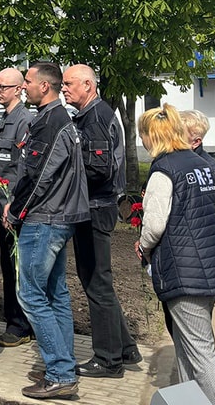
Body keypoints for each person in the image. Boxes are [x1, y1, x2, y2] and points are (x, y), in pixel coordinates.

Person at [136, 105, 215, 405]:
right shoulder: (201, 164)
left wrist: (143, 245)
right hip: (209, 265)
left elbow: (154, 224)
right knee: (186, 345)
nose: (142, 141)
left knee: (201, 352)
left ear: (153, 136)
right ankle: (189, 400)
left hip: (185, 270)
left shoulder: (164, 170)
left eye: (143, 135)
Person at [7, 62, 88, 400]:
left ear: (45, 86)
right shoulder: (55, 119)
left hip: (45, 220)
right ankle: (61, 366)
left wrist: (15, 210)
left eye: (27, 81)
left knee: (31, 294)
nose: (24, 86)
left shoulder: (52, 122)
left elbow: (39, 176)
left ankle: (60, 373)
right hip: (57, 217)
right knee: (55, 293)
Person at [61, 64, 140, 377]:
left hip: (96, 207)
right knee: (97, 281)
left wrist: (66, 171)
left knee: (97, 284)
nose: (64, 88)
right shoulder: (91, 115)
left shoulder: (96, 116)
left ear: (88, 85)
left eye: (69, 84)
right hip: (95, 206)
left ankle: (108, 360)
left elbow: (99, 168)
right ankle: (126, 349)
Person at [0, 67, 34, 347]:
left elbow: (24, 171)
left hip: (15, 212)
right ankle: (15, 321)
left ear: (18, 89)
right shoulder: (6, 120)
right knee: (8, 267)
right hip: (4, 210)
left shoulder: (24, 121)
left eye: (2, 87)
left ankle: (20, 325)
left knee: (18, 270)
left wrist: (13, 208)